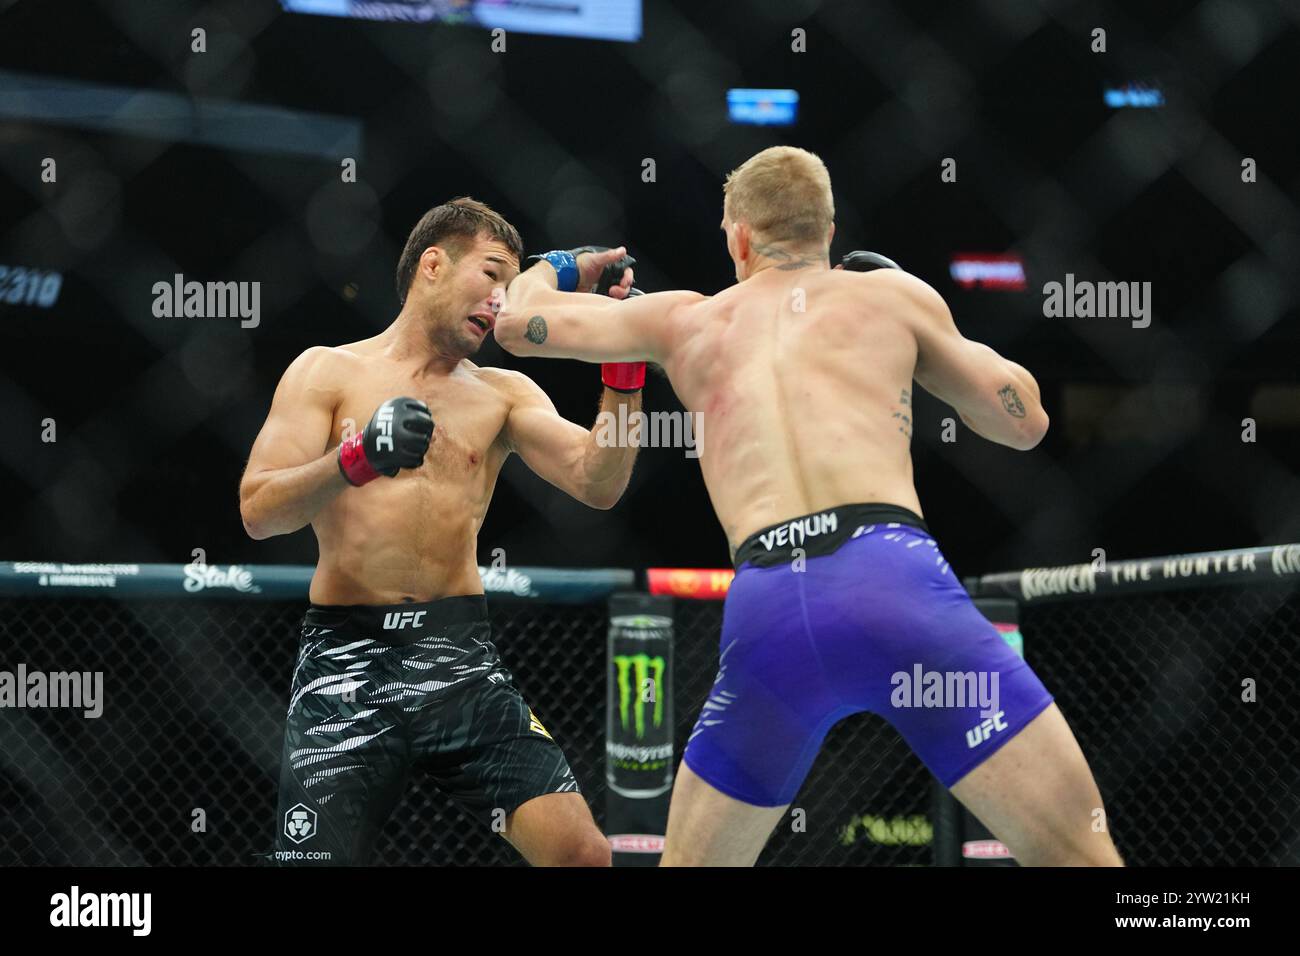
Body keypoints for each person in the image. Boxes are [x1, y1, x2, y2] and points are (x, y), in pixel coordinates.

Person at [494, 147, 1124, 867]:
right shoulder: (889, 298)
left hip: (771, 611)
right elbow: (1025, 421)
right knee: (1083, 856)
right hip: (895, 585)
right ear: (828, 228)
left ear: (737, 237)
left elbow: (517, 324)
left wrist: (560, 265)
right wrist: (907, 296)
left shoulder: (686, 322)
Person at [240, 197, 638, 866]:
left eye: (513, 287)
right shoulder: (326, 371)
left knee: (582, 855)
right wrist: (356, 459)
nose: (502, 301)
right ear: (433, 263)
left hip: (460, 658)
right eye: (491, 275)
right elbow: (258, 510)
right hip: (347, 661)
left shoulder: (503, 393)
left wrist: (624, 371)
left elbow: (598, 483)